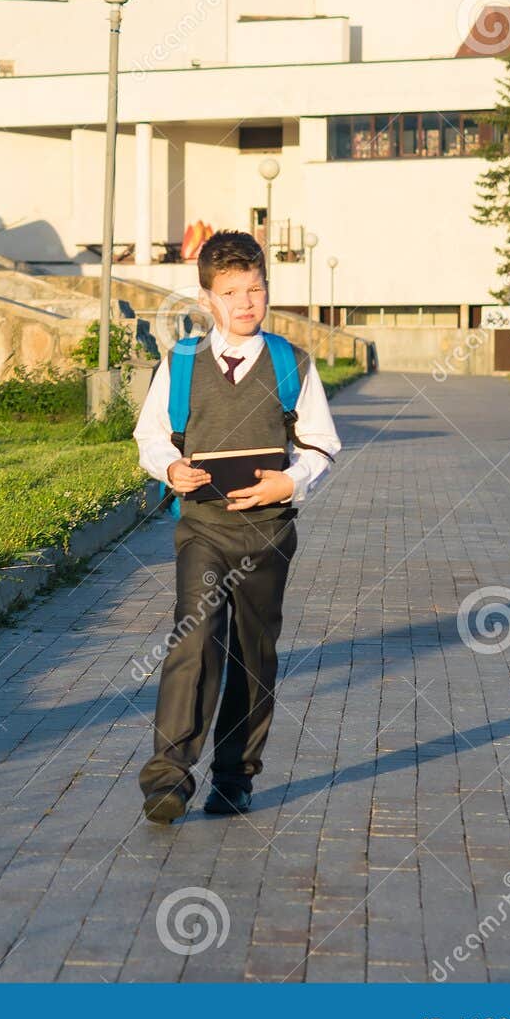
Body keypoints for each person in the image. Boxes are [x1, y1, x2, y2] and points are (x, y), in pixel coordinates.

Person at [132, 230, 341, 823]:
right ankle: (168, 778)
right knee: (194, 641)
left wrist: (291, 482)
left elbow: (322, 443)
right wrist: (170, 468)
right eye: (231, 292)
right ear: (207, 300)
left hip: (269, 532)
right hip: (202, 527)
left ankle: (234, 776)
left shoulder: (290, 362)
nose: (246, 303)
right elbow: (150, 437)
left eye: (255, 289)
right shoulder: (180, 364)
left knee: (253, 654)